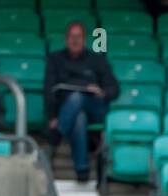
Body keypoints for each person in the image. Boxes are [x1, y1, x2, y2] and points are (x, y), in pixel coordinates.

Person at [43, 21, 119, 183]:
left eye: (78, 37)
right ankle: (82, 170)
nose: (75, 40)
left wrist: (101, 91)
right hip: (68, 108)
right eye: (72, 37)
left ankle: (55, 137)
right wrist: (52, 116)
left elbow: (114, 89)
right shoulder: (55, 59)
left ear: (84, 39)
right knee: (79, 117)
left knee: (78, 98)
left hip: (95, 108)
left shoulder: (97, 60)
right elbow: (49, 90)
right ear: (66, 39)